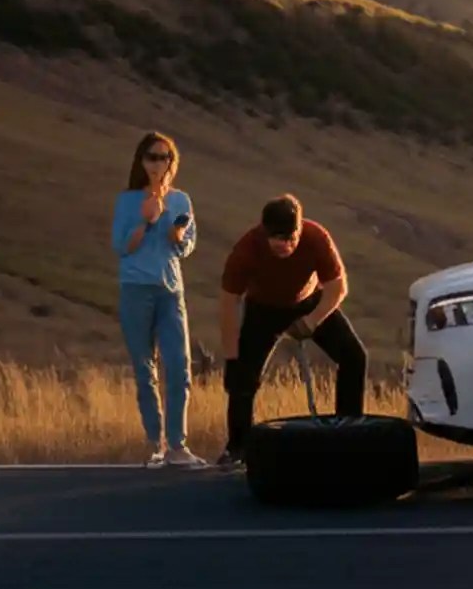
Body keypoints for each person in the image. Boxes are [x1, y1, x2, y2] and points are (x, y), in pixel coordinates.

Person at [215, 193, 368, 467]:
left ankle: (349, 432)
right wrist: (231, 354)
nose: (285, 245)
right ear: (265, 232)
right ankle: (238, 447)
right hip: (263, 307)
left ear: (300, 229)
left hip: (309, 302)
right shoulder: (246, 250)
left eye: (291, 238)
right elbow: (228, 303)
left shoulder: (316, 237)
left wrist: (312, 321)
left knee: (354, 357)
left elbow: (337, 286)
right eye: (278, 238)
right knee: (242, 378)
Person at [110, 131, 207, 468]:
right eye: (152, 156)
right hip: (136, 289)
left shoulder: (181, 200)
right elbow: (122, 246)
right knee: (144, 366)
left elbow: (186, 246)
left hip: (170, 290)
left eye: (164, 157)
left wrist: (178, 235)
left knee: (179, 366)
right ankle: (157, 443)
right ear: (141, 161)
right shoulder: (127, 201)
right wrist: (146, 220)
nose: (158, 163)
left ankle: (178, 445)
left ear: (171, 163)